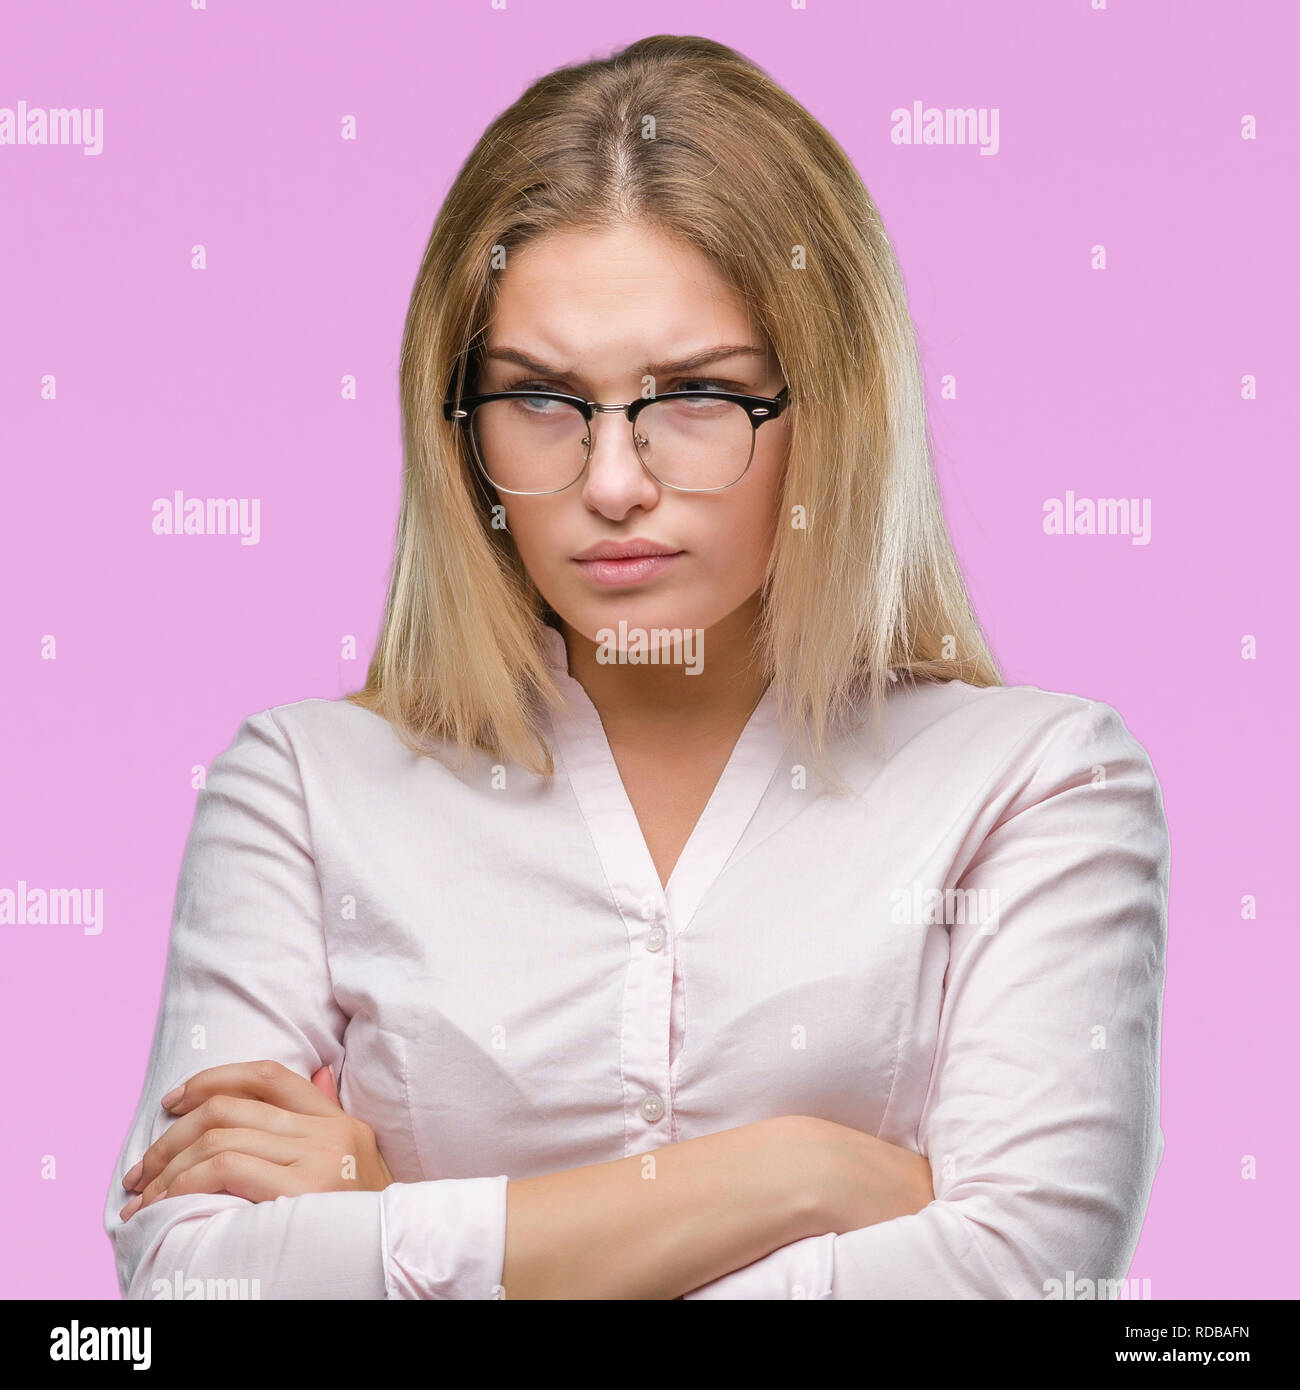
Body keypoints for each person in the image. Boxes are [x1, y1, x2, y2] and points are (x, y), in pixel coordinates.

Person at [105, 34, 1169, 1300]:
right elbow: (189, 1288)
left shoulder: (1039, 783)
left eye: (696, 396)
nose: (612, 483)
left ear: (829, 402)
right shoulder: (299, 787)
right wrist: (796, 1172)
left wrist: (393, 1222)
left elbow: (1019, 1278)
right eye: (542, 399)